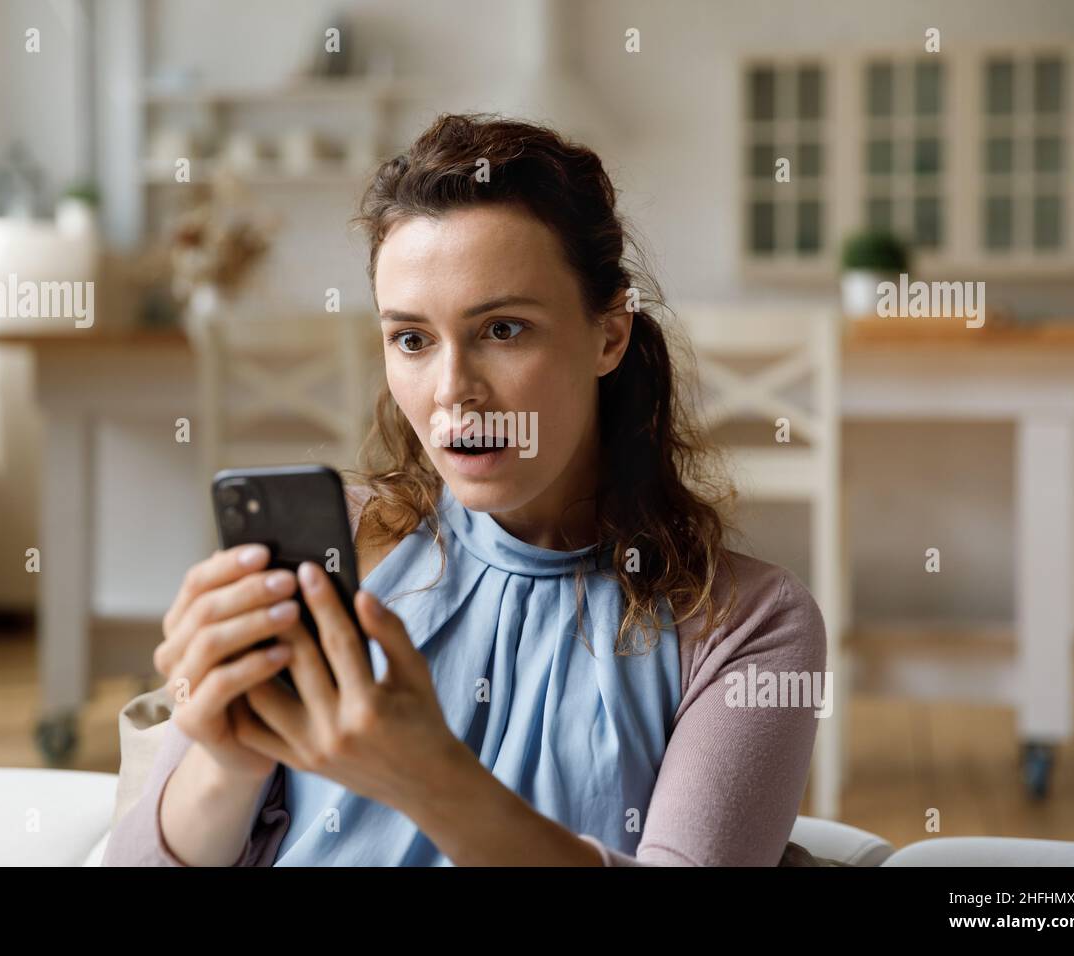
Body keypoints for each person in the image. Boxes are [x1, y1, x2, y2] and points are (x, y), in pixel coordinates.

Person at [103, 113, 827, 867]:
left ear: (609, 336)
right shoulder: (334, 553)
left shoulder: (749, 627)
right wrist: (231, 760)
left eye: (503, 330)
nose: (453, 391)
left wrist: (428, 778)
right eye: (412, 339)